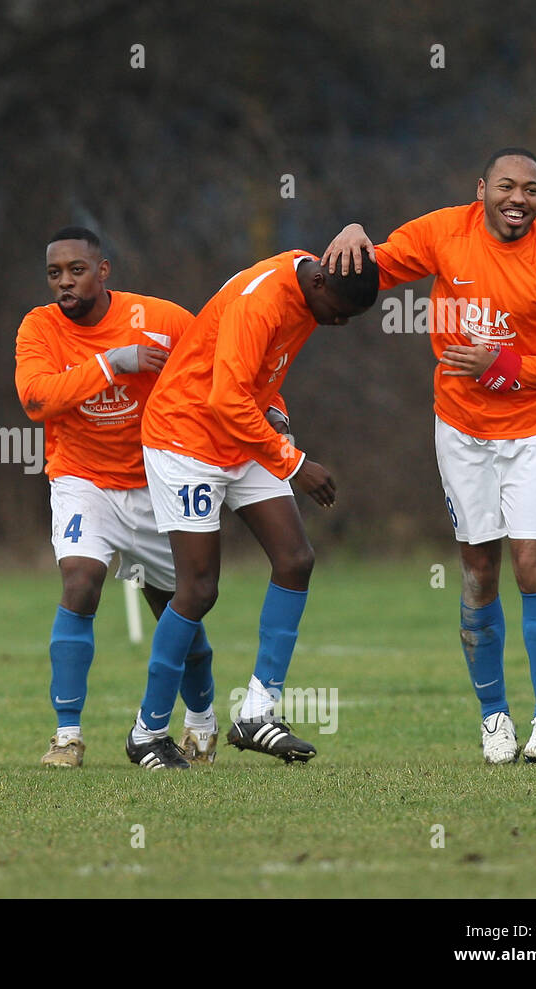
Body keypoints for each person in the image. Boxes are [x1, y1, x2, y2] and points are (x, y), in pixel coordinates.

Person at [322, 148, 536, 765]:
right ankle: (494, 716)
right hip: (463, 429)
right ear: (482, 190)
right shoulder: (445, 232)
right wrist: (351, 234)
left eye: (530, 189)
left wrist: (503, 365)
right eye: (506, 186)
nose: (517, 199)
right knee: (478, 572)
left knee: (531, 563)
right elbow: (376, 270)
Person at [126, 250, 379, 769]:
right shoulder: (260, 303)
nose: (339, 323)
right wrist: (295, 462)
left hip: (242, 439)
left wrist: (279, 422)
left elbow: (262, 379)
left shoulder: (315, 286)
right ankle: (147, 732)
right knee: (197, 589)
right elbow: (226, 397)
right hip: (186, 440)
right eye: (340, 311)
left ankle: (256, 714)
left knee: (295, 559)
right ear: (321, 282)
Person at [16, 227, 222, 768]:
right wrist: (115, 363)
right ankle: (67, 737)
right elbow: (37, 399)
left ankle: (201, 721)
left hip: (157, 481)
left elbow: (227, 360)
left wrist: (275, 413)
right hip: (83, 480)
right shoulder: (39, 327)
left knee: (178, 609)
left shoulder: (161, 319)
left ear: (103, 271)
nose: (64, 282)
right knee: (81, 583)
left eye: (76, 270)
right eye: (54, 273)